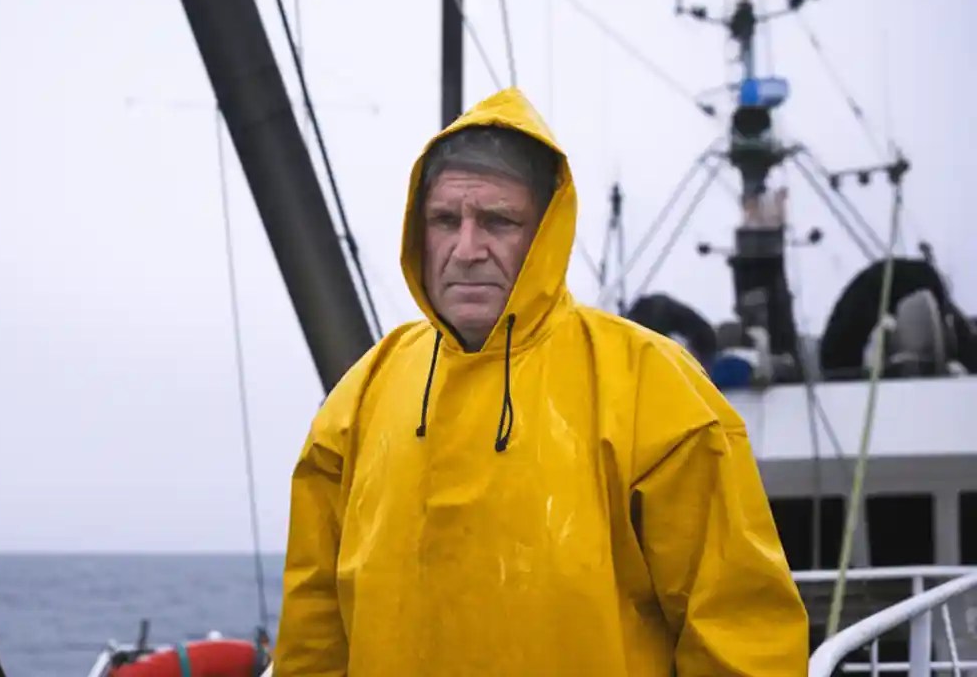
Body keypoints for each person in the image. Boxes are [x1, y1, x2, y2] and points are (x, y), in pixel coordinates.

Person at [271, 87, 808, 675]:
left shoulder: (653, 389)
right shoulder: (361, 396)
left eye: (498, 221)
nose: (466, 249)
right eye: (445, 220)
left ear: (545, 232)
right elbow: (313, 635)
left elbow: (740, 631)